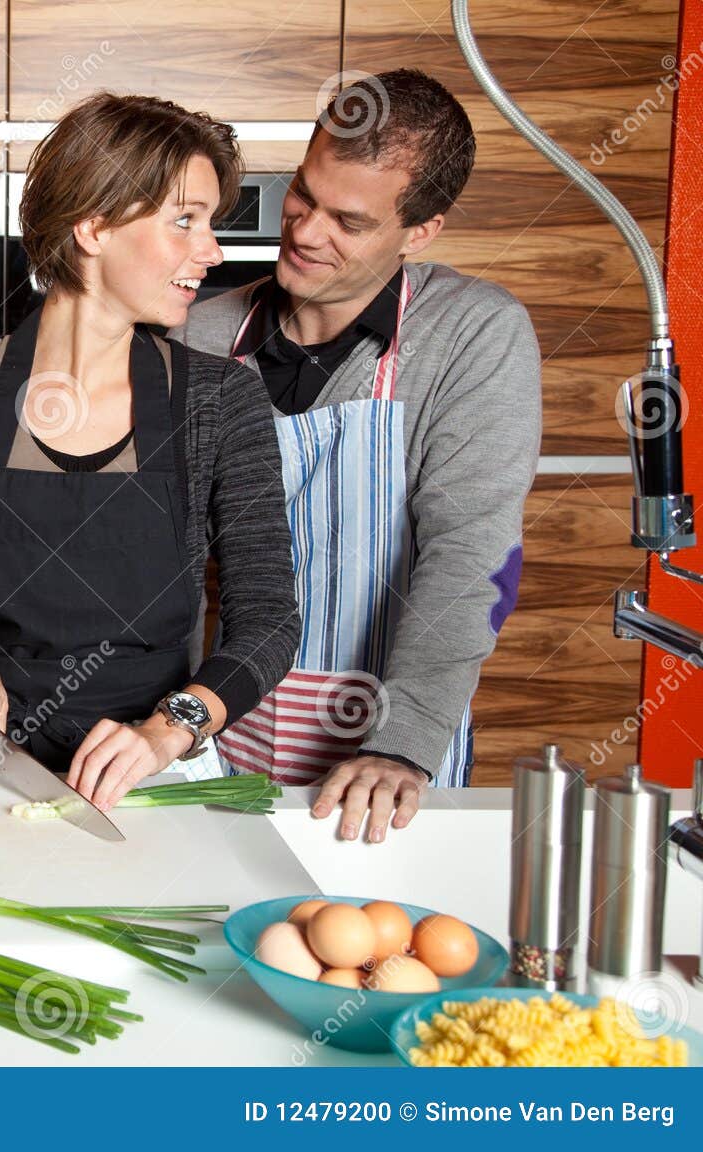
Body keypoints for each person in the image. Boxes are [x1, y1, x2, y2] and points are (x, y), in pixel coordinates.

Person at [0, 92, 300, 810]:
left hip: (150, 782)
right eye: (184, 221)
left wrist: (172, 728)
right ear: (93, 226)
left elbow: (268, 618)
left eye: (209, 224)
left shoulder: (219, 401)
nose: (212, 251)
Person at [183, 68, 541, 840]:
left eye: (348, 220)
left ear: (420, 231)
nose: (306, 231)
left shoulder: (472, 334)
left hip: (383, 762)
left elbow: (472, 552)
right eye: (303, 196)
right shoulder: (202, 335)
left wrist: (401, 744)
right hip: (212, 735)